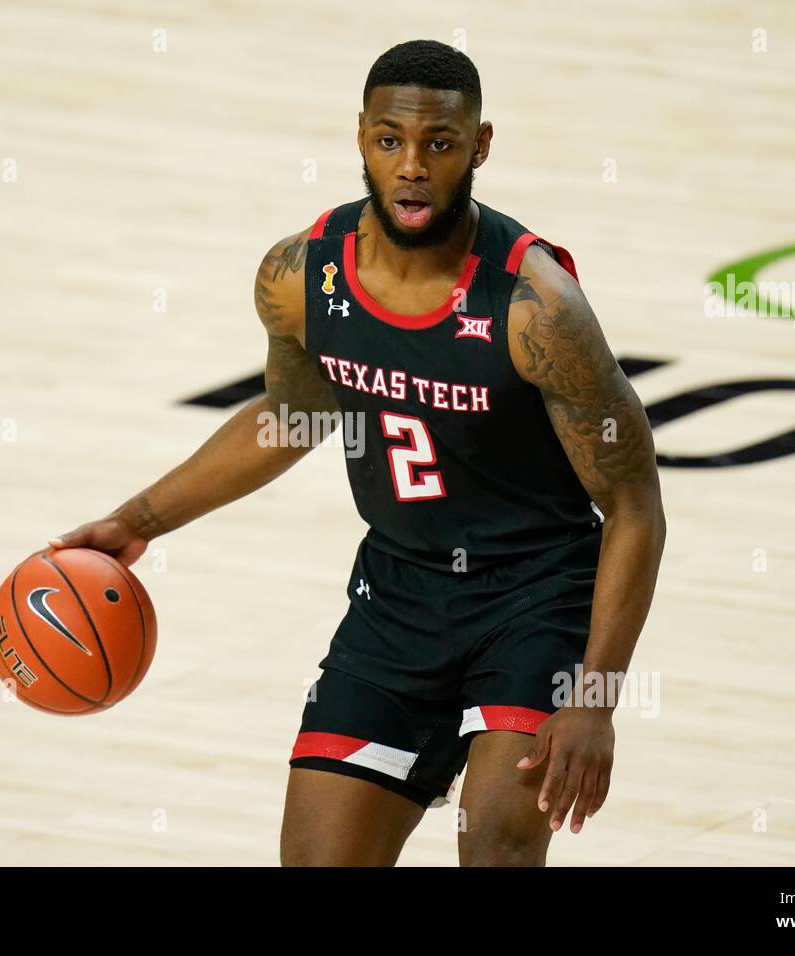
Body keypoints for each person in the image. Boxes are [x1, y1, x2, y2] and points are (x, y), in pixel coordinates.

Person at [51, 39, 666, 866]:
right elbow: (293, 418)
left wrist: (596, 697)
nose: (412, 166)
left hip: (535, 598)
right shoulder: (299, 277)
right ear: (361, 140)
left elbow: (634, 506)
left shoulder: (537, 307)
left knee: (497, 852)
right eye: (390, 140)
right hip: (398, 596)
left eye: (439, 145)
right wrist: (138, 522)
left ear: (479, 147)